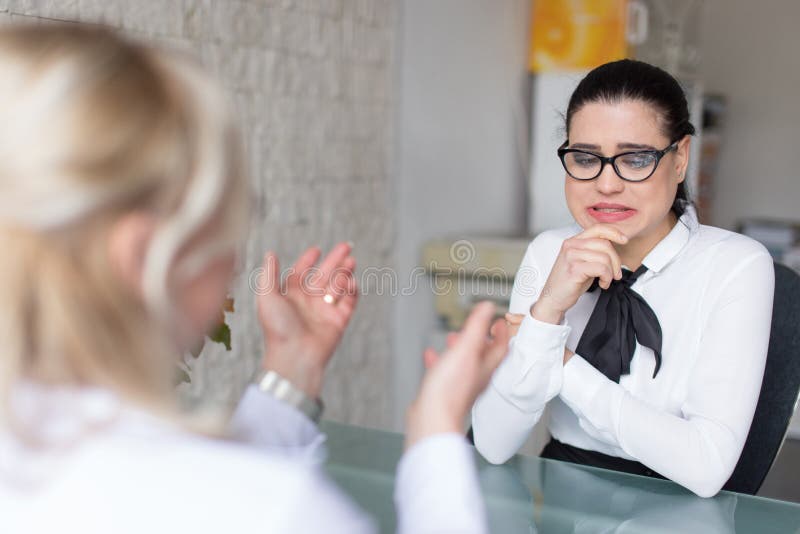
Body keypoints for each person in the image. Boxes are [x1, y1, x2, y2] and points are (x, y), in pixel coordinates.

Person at [0, 24, 511, 533]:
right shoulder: (271, 509)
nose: (236, 259)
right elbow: (232, 503)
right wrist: (436, 436)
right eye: (231, 217)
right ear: (143, 256)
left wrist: (292, 368)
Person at [471, 59, 775, 498]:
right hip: (560, 501)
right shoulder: (550, 251)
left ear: (680, 158)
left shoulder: (737, 265)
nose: (607, 184)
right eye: (585, 158)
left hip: (679, 512)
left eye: (635, 159)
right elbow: (493, 444)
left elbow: (707, 467)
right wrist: (548, 309)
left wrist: (561, 361)